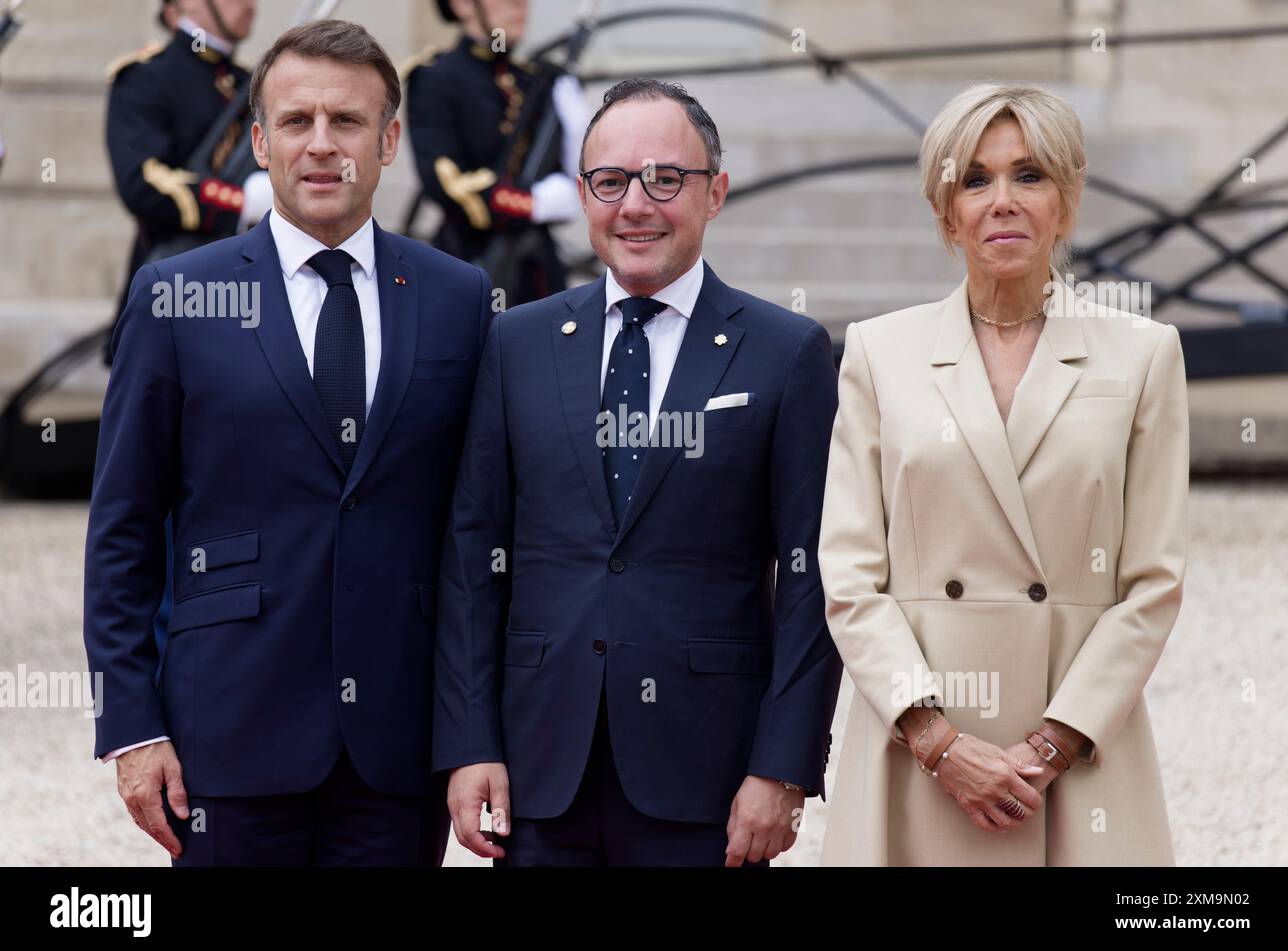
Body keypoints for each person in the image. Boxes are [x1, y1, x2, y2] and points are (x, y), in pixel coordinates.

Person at [84, 18, 492, 866]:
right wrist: (131, 727)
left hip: (399, 748)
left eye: (346, 122)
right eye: (297, 122)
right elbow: (122, 528)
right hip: (224, 739)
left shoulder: (458, 298)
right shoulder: (175, 296)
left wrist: (477, 731)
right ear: (261, 142)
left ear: (388, 140)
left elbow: (478, 530)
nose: (321, 145)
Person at [435, 78, 843, 867]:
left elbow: (812, 577)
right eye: (610, 181)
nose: (636, 205)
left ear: (715, 191)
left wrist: (782, 765)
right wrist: (469, 740)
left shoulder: (786, 352)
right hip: (537, 770)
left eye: (666, 178)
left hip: (709, 779)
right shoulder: (515, 343)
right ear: (583, 194)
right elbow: (470, 556)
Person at [818, 82, 1188, 865]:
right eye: (974, 180)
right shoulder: (880, 352)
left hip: (1077, 758)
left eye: (1029, 175)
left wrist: (1051, 746)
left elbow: (1153, 581)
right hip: (917, 750)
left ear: (1069, 197)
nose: (1002, 201)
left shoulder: (1144, 353)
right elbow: (850, 575)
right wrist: (939, 742)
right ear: (945, 210)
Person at [404, 0, 586, 304]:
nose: (521, 5)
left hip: (539, 268)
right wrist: (532, 203)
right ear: (462, 6)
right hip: (468, 260)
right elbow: (449, 183)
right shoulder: (436, 77)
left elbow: (565, 166)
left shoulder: (538, 79)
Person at [105, 0, 261, 320]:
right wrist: (243, 202)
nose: (251, 4)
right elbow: (142, 182)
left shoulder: (249, 82)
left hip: (245, 291)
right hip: (173, 292)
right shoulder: (147, 77)